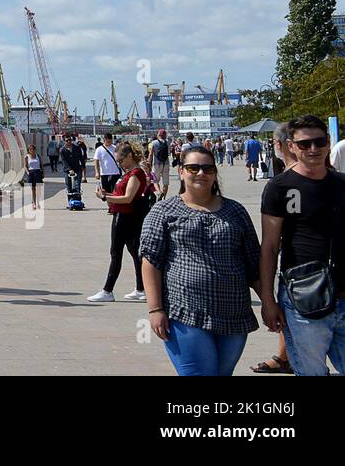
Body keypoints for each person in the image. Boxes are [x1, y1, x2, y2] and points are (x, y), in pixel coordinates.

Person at [140, 143, 260, 375]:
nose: (201, 173)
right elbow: (150, 262)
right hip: (185, 310)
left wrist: (269, 302)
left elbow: (253, 261)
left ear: (215, 173)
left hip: (233, 312)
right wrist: (155, 309)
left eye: (207, 168)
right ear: (181, 171)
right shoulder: (163, 211)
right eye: (193, 168)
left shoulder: (235, 211)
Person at [258, 114, 345, 375]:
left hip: (343, 292)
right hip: (304, 296)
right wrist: (267, 300)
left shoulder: (341, 183)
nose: (313, 150)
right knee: (311, 372)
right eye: (305, 144)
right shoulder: (280, 187)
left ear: (329, 142)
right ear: (291, 146)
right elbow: (270, 246)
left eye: (319, 142)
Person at [251, 123, 296, 374]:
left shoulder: (281, 184)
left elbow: (270, 243)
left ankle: (287, 356)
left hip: (300, 269)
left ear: (279, 146)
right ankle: (285, 355)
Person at [88, 144, 148, 302]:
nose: (119, 163)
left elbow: (128, 198)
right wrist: (106, 194)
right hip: (125, 215)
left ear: (129, 156)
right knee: (134, 252)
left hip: (125, 217)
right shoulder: (129, 173)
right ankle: (140, 288)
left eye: (120, 160)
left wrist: (104, 197)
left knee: (116, 253)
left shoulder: (135, 174)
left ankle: (108, 290)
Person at [94, 133, 121, 213]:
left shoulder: (115, 148)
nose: (109, 143)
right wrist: (97, 172)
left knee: (114, 191)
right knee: (106, 191)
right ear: (104, 140)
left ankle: (113, 207)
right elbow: (96, 161)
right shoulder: (99, 149)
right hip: (104, 174)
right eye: (107, 141)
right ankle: (110, 207)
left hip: (115, 173)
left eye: (110, 141)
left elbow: (119, 159)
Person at [150, 129, 171, 199]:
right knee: (165, 182)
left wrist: (149, 163)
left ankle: (159, 193)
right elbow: (169, 152)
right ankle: (164, 198)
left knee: (155, 180)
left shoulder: (154, 143)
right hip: (166, 163)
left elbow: (150, 154)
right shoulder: (168, 142)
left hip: (156, 164)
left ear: (158, 134)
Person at [23, 143, 44, 210]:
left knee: (38, 189)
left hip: (38, 172)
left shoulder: (38, 156)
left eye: (33, 149)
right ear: (28, 150)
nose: (32, 150)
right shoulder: (26, 157)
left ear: (35, 150)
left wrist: (43, 173)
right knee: (33, 189)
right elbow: (25, 166)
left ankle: (38, 202)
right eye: (30, 149)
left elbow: (41, 165)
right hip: (31, 173)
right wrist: (27, 172)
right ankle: (34, 203)